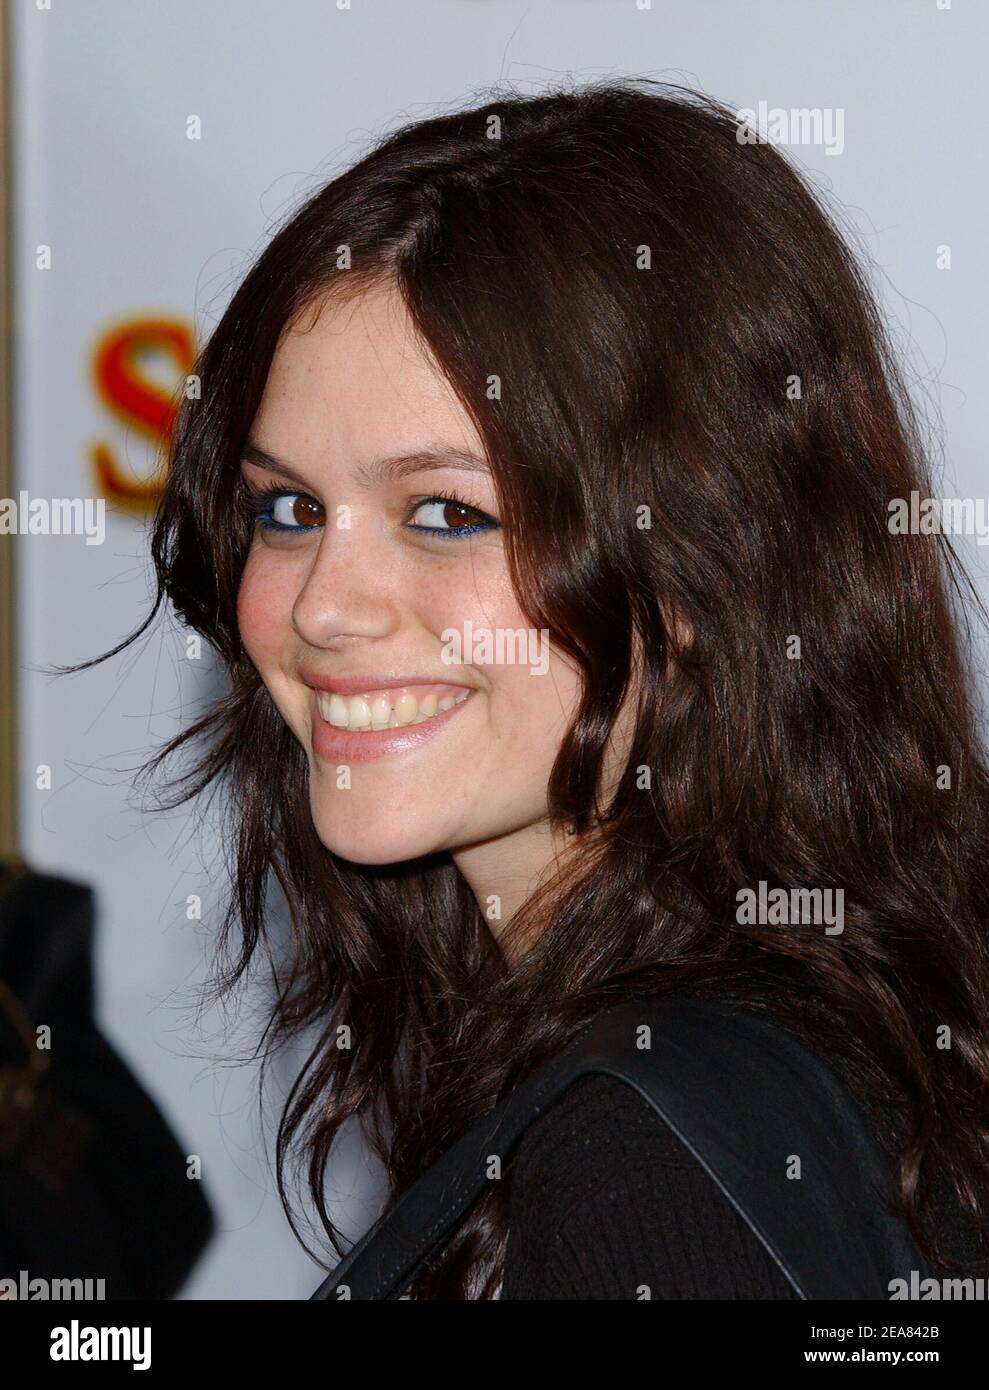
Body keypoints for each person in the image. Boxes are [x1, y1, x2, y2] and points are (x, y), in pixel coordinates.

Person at [65, 77, 989, 1298]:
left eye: (446, 514)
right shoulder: (823, 1032)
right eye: (288, 509)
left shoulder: (645, 1159)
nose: (322, 603)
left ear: (702, 573)